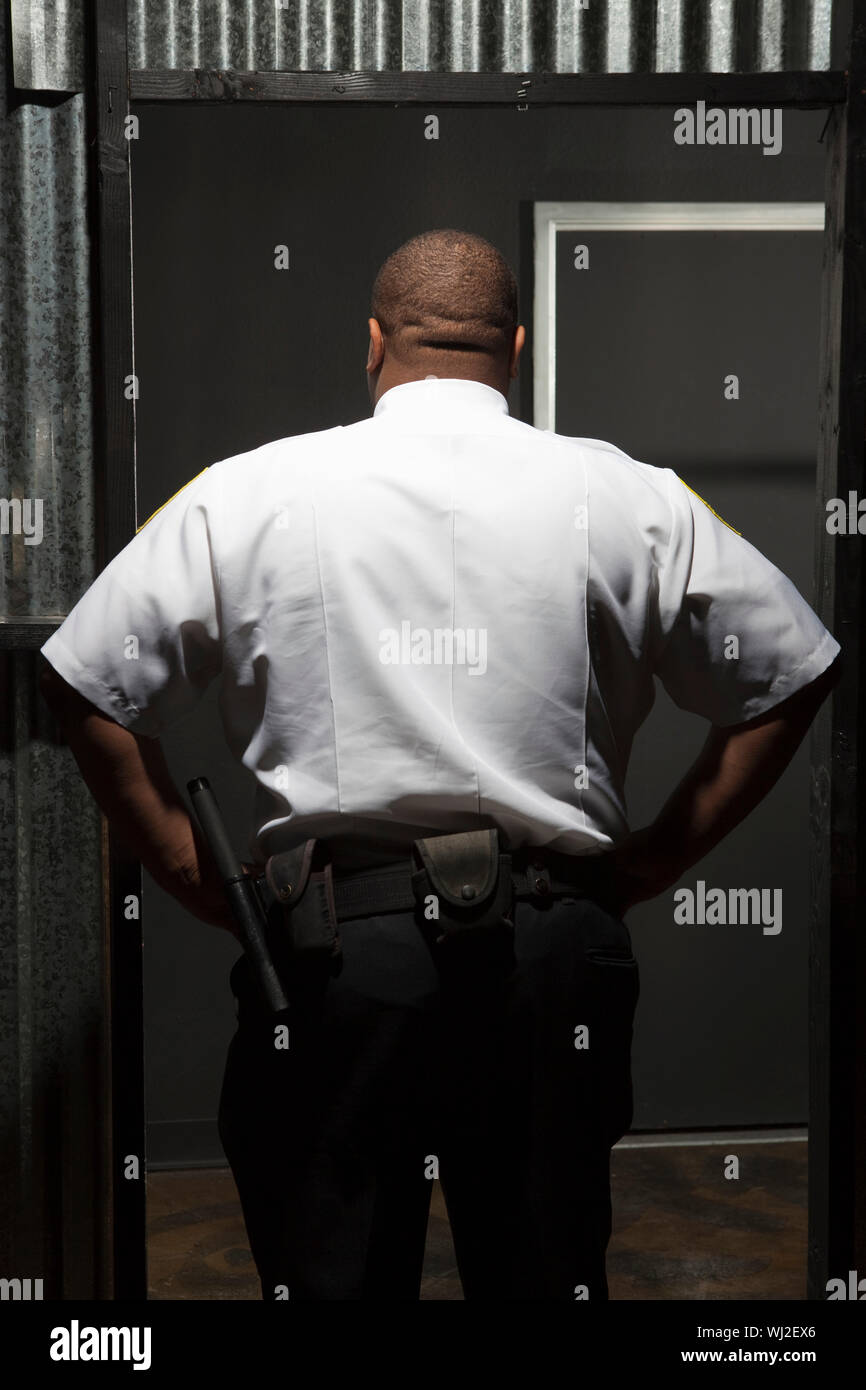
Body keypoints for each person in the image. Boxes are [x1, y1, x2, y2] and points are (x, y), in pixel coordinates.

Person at [39, 228, 840, 1302]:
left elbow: (86, 676)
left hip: (334, 962)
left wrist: (188, 865)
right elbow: (790, 671)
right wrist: (653, 858)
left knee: (332, 1285)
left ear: (373, 345)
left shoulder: (253, 490)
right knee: (545, 1277)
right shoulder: (626, 495)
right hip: (553, 951)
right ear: (513, 347)